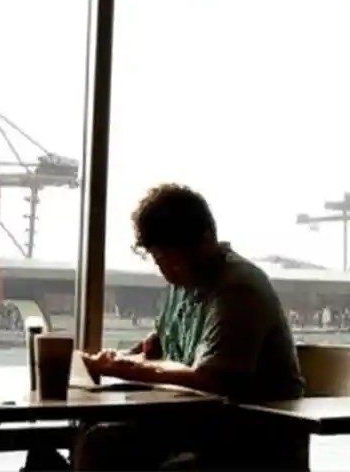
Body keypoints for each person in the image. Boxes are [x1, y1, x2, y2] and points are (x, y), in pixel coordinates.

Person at [75, 183, 306, 471]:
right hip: (201, 427)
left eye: (173, 261)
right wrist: (108, 362)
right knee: (96, 436)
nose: (167, 271)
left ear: (206, 242)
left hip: (255, 439)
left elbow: (211, 379)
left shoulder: (238, 288)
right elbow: (154, 351)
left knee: (112, 448)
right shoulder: (183, 285)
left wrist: (123, 368)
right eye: (160, 260)